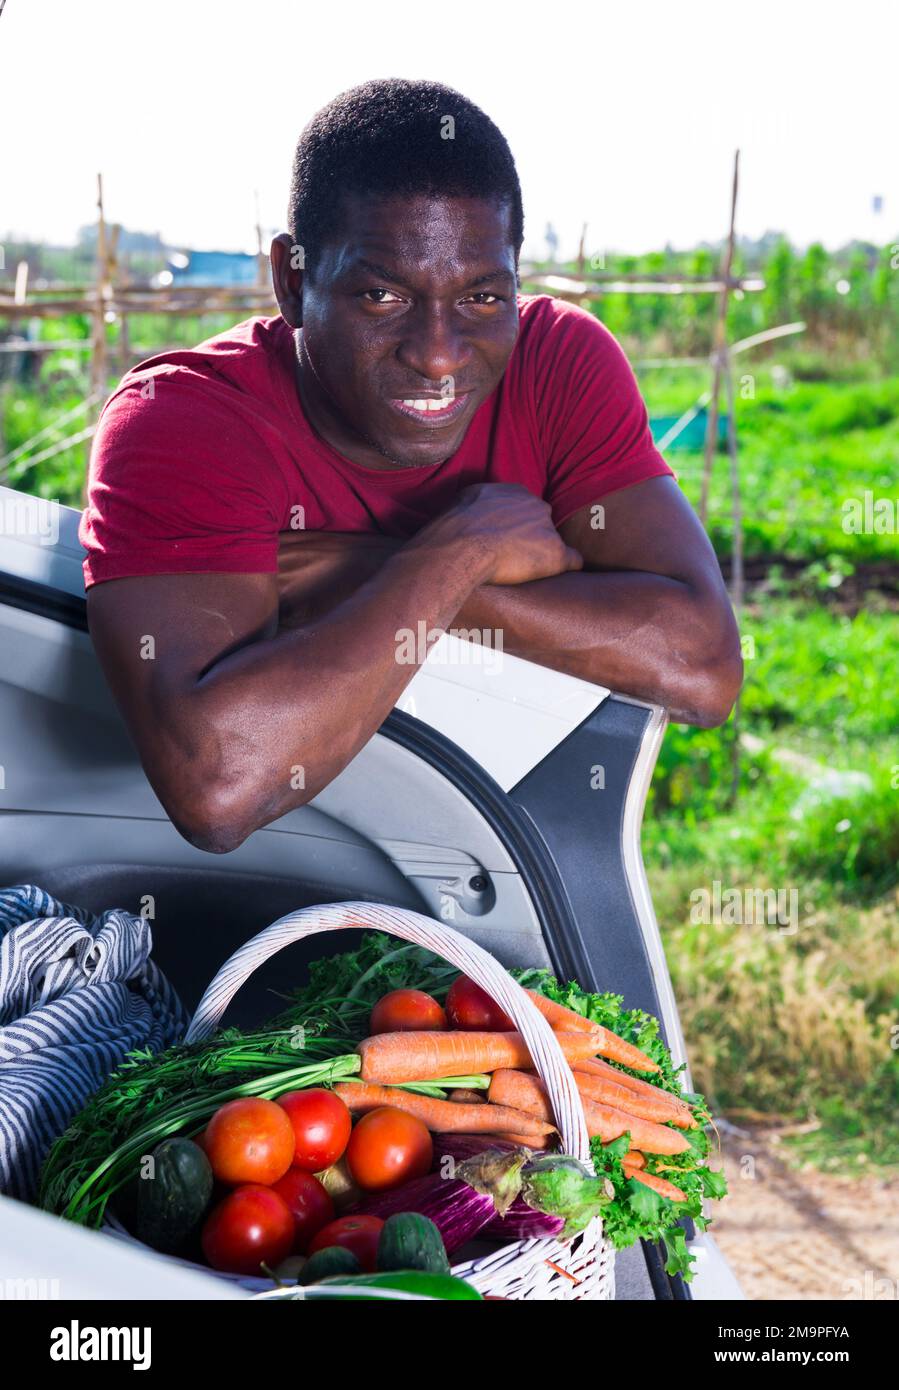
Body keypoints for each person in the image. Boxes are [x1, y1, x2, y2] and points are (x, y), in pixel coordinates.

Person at [79, 78, 742, 854]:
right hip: (254, 894)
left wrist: (373, 569)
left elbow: (701, 667)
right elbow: (220, 788)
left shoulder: (557, 360)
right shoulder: (186, 422)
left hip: (507, 873)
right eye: (382, 295)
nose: (436, 354)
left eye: (482, 298)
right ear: (293, 280)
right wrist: (462, 550)